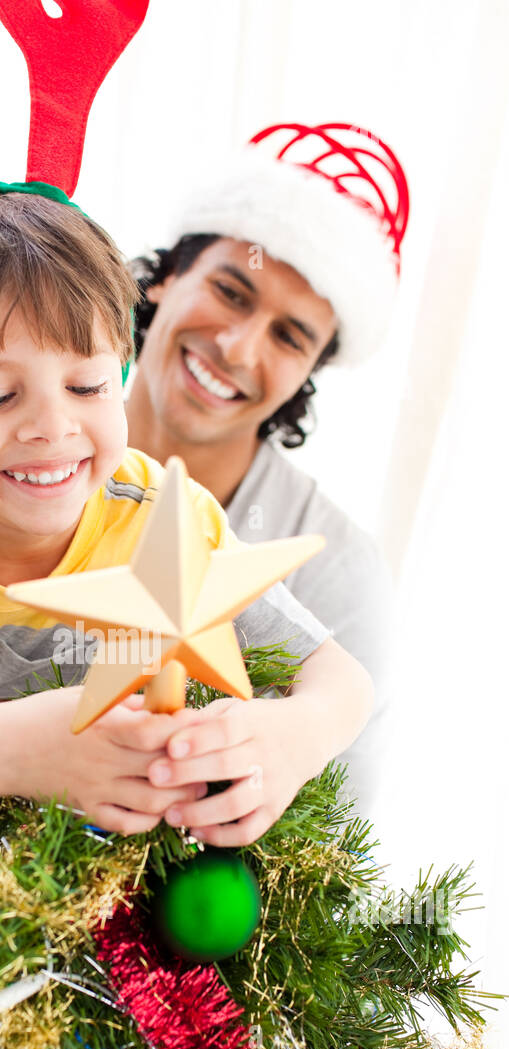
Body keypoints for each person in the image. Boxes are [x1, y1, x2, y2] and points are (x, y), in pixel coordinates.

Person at [0, 191, 373, 854]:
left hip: (88, 782)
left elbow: (342, 680)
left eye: (87, 387)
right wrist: (13, 747)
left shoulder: (162, 517)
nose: (52, 428)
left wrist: (293, 736)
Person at [125, 124, 410, 813]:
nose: (236, 348)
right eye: (230, 291)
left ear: (310, 372)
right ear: (165, 277)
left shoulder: (333, 569)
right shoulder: (21, 453)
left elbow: (340, 858)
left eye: (288, 336)